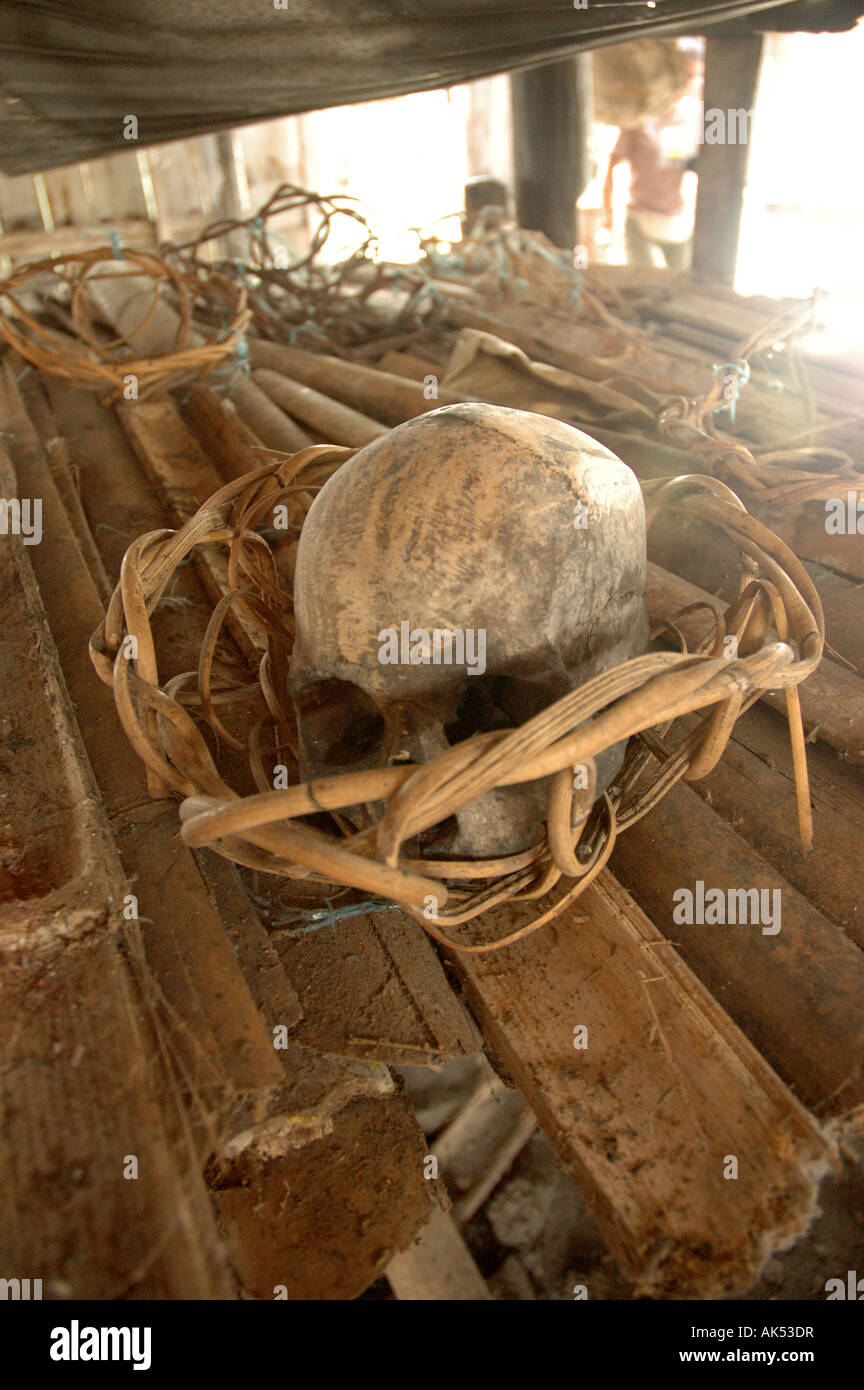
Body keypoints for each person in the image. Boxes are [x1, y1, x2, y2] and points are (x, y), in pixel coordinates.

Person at [602, 55, 702, 270]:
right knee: (644, 283)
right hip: (640, 217)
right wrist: (607, 212)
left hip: (676, 219)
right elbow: (611, 165)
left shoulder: (691, 117)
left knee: (681, 284)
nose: (687, 83)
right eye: (685, 76)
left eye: (692, 77)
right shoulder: (639, 117)